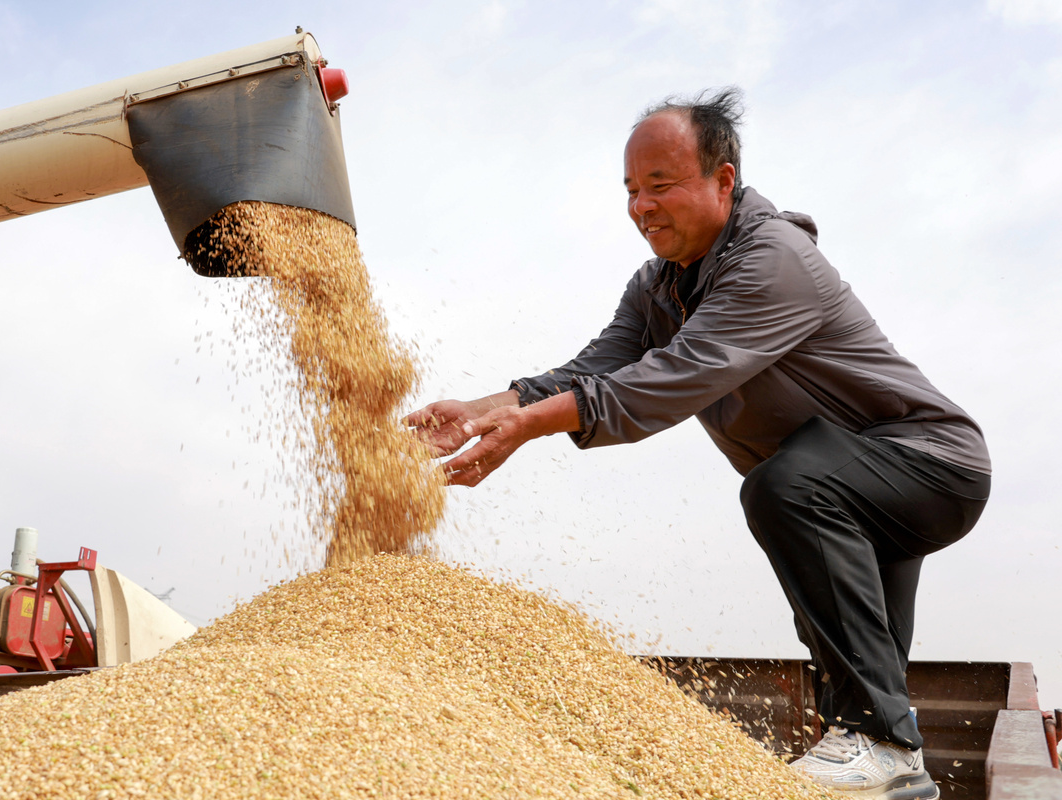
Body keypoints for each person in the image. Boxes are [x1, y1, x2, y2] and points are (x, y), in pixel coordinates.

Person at [405, 88, 990, 800]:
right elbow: (593, 370)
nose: (641, 207)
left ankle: (880, 742)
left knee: (786, 487)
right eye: (630, 191)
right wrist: (481, 409)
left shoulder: (772, 258)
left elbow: (669, 380)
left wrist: (525, 426)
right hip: (849, 484)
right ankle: (894, 765)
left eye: (661, 185)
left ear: (723, 180)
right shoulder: (656, 287)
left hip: (929, 465)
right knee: (847, 646)